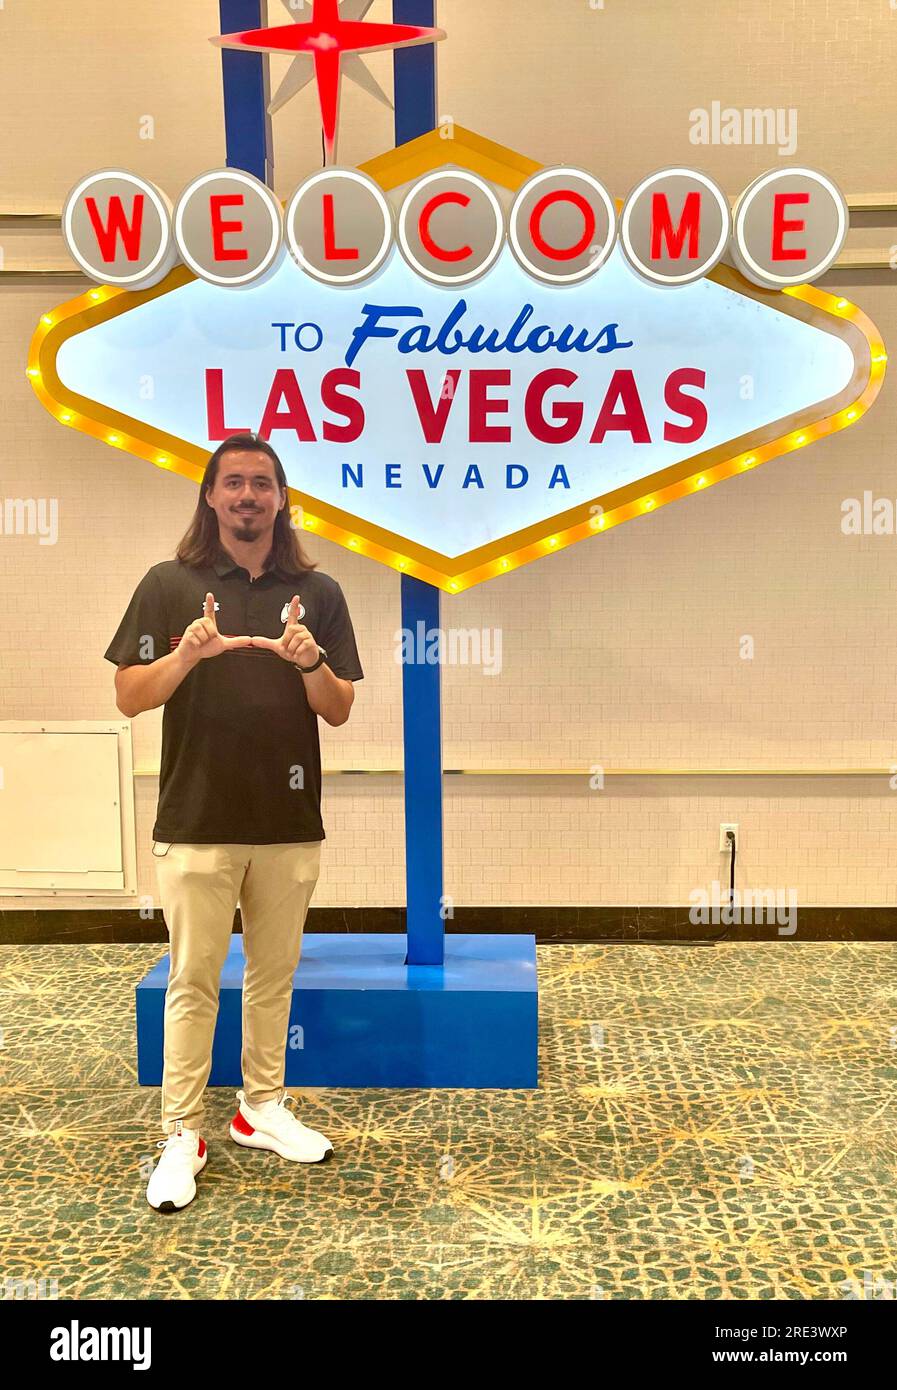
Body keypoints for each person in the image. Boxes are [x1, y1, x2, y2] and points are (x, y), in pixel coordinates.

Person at [105, 433, 364, 1212]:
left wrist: (310, 662)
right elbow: (129, 696)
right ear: (211, 497)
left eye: (262, 484)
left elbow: (341, 709)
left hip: (288, 822)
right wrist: (187, 655)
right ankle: (180, 1132)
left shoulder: (317, 593)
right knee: (192, 980)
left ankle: (260, 1108)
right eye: (234, 484)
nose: (248, 496)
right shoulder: (166, 584)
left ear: (281, 498)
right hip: (197, 818)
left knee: (272, 977)